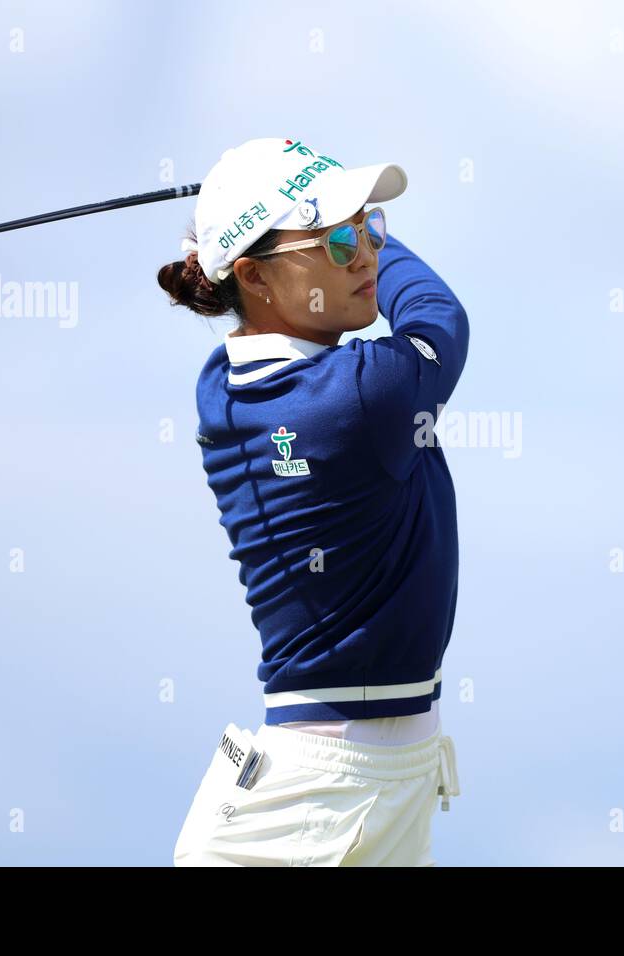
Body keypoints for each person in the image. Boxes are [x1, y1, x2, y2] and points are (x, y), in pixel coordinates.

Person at [157, 137, 467, 866]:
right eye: (334, 241)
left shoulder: (221, 385)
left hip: (353, 791)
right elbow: (438, 318)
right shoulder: (361, 394)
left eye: (369, 227)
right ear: (256, 278)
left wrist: (293, 230)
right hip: (309, 812)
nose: (363, 255)